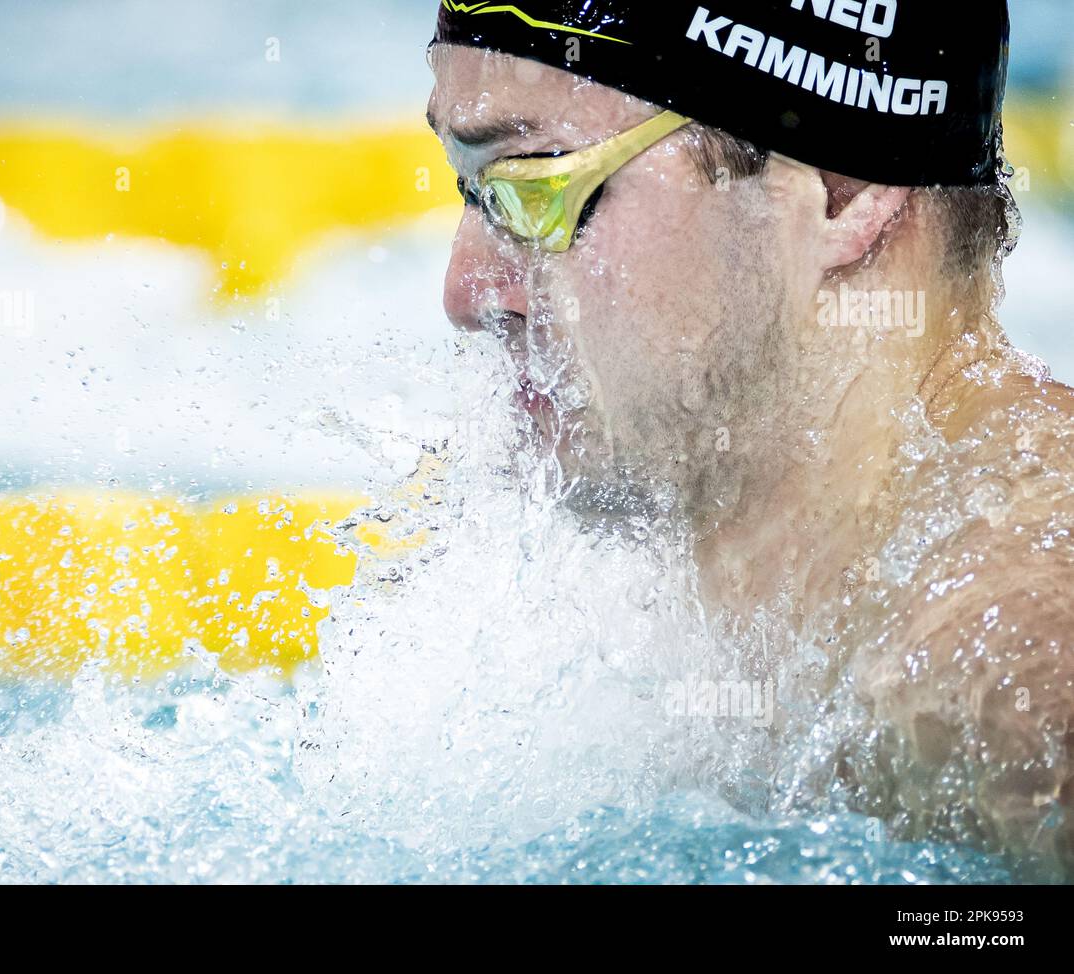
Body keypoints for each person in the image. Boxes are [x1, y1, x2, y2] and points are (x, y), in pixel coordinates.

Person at [427, 0, 1074, 871]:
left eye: (537, 188)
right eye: (471, 192)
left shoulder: (1012, 677)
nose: (467, 292)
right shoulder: (679, 621)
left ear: (839, 192)